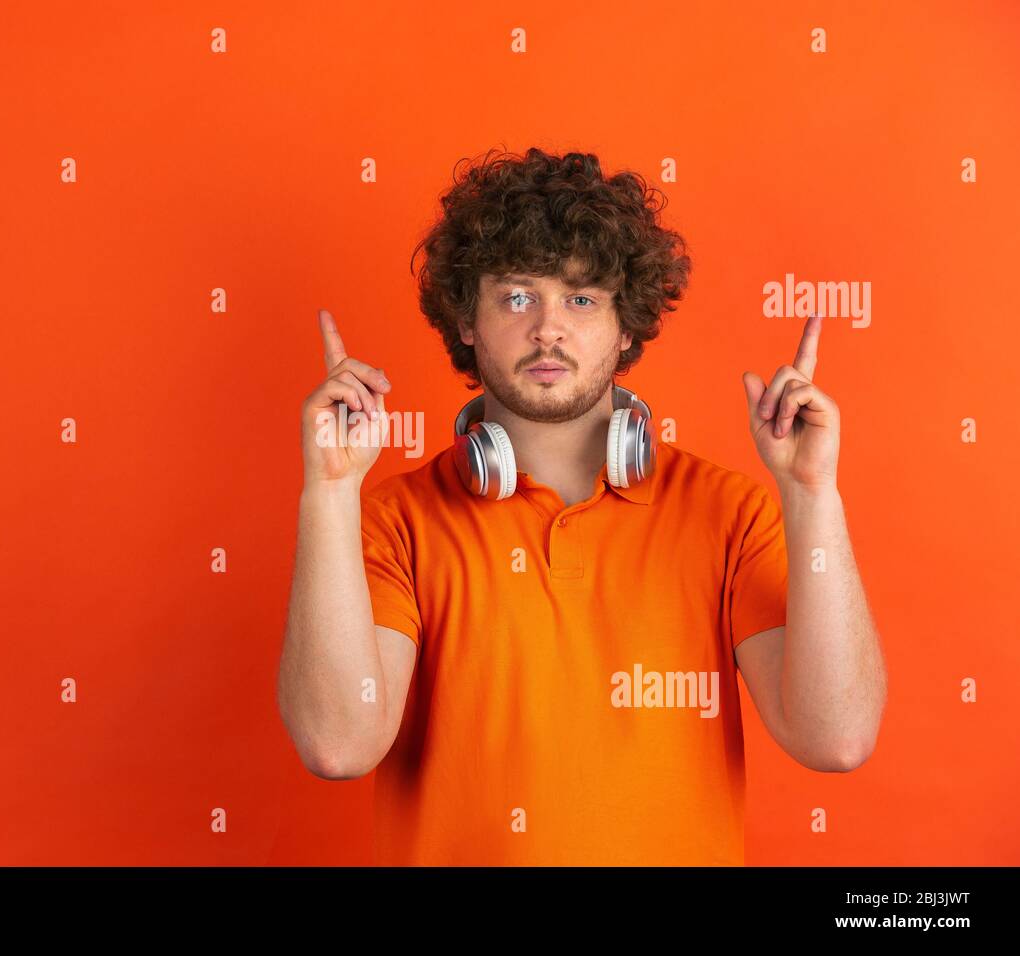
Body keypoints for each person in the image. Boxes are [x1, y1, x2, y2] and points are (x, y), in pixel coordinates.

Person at [276, 147, 887, 865]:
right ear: (465, 321)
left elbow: (837, 738)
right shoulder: (390, 521)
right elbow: (337, 745)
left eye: (582, 298)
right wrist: (330, 491)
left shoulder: (729, 513)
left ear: (627, 326)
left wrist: (812, 494)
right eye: (515, 295)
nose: (547, 329)